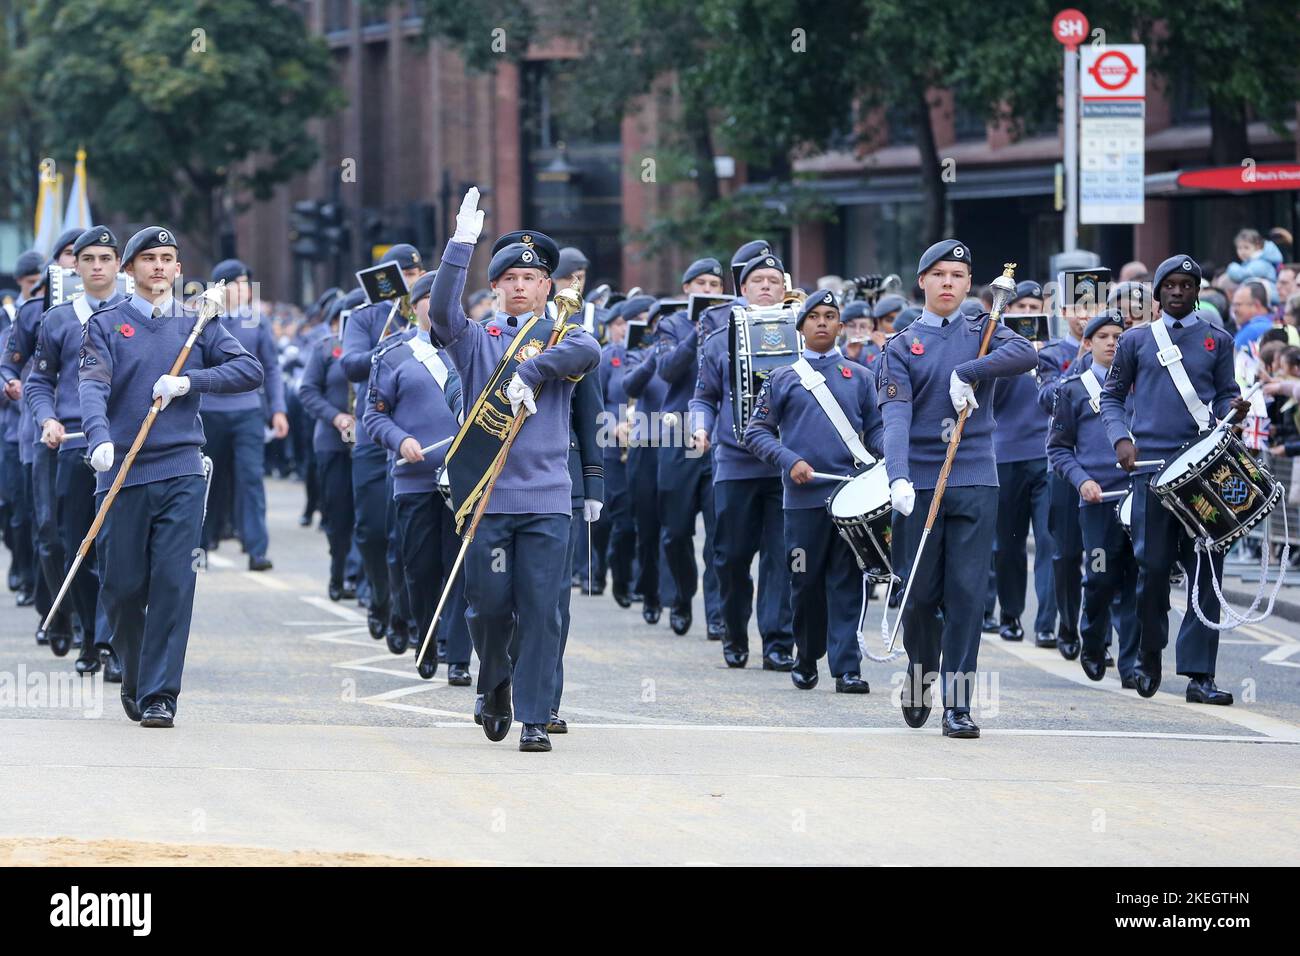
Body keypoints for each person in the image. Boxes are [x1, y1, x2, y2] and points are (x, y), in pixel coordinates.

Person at [428, 188, 600, 753]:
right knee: (490, 610)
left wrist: (534, 372)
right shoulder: (478, 340)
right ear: (497, 287)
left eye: (533, 277)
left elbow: (587, 354)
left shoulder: (562, 334)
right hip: (489, 498)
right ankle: (494, 683)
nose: (522, 284)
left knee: (543, 611)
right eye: (511, 277)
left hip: (548, 499)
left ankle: (533, 715)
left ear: (548, 286)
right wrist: (460, 245)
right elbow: (441, 312)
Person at [80, 226, 263, 727]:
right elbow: (92, 385)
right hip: (120, 471)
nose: (159, 266)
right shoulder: (105, 324)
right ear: (129, 268)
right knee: (120, 586)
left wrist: (190, 381)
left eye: (167, 259)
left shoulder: (198, 322)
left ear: (178, 270)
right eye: (148, 259)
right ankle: (136, 677)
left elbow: (249, 370)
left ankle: (160, 693)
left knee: (173, 582)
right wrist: (98, 438)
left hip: (181, 468)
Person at [878, 240, 1037, 737]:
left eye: (959, 275)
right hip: (921, 480)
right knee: (921, 595)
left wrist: (969, 370)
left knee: (966, 593)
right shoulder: (901, 346)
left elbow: (1026, 354)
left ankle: (958, 704)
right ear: (921, 281)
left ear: (971, 286)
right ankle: (920, 673)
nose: (949, 282)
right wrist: (898, 475)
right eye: (939, 273)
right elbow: (896, 418)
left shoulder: (984, 331)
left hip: (974, 474)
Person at [1100, 254, 1248, 703]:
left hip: (1204, 470)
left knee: (1207, 570)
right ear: (1158, 292)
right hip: (1152, 472)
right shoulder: (1137, 341)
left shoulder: (1217, 340)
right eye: (1171, 286)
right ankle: (1148, 654)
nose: (1179, 292)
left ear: (1197, 291)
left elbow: (1226, 394)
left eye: (1187, 285)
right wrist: (1120, 439)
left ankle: (1200, 676)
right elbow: (1111, 397)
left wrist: (1232, 412)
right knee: (1154, 567)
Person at [743, 289, 883, 690]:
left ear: (840, 325)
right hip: (802, 502)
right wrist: (790, 461)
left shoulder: (860, 376)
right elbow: (756, 432)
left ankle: (847, 667)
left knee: (846, 581)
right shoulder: (783, 378)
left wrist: (888, 458)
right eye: (814, 317)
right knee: (804, 581)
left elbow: (874, 431)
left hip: (850, 502)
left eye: (830, 316)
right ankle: (806, 655)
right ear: (800, 328)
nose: (822, 322)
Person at [26, 226, 127, 676]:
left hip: (127, 448)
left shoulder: (140, 316)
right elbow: (39, 381)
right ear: (75, 266)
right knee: (78, 549)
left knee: (120, 550)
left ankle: (116, 642)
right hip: (73, 445)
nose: (98, 267)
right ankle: (91, 635)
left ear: (119, 265)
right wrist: (46, 417)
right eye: (88, 259)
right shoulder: (58, 319)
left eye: (106, 258)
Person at [362, 270, 473, 680]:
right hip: (414, 480)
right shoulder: (393, 354)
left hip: (463, 479)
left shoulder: (473, 348)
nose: (439, 306)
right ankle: (426, 638)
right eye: (430, 298)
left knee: (459, 568)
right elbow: (373, 417)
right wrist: (400, 439)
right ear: (415, 306)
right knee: (421, 567)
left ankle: (458, 655)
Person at [690, 252, 795, 670]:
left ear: (785, 289)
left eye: (774, 280)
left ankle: (778, 642)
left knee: (782, 556)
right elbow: (704, 396)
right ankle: (734, 634)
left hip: (787, 465)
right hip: (735, 464)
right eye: (757, 281)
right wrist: (700, 427)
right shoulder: (721, 338)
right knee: (730, 556)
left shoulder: (801, 336)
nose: (766, 286)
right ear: (743, 290)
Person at [1047, 311, 1139, 685]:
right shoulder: (1072, 390)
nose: (1113, 342)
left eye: (1119, 335)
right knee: (1100, 577)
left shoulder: (1142, 386)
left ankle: (1133, 664)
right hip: (1097, 503)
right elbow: (1058, 449)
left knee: (1134, 581)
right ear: (1087, 343)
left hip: (1137, 498)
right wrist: (1081, 481)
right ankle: (1093, 641)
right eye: (1103, 336)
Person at [341, 244, 424, 644]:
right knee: (372, 527)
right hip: (374, 433)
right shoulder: (366, 316)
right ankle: (378, 596)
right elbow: (350, 364)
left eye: (415, 274)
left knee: (408, 531)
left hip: (416, 436)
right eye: (402, 275)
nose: (409, 282)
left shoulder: (429, 315)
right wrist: (390, 345)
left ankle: (406, 613)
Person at [650, 257, 730, 637]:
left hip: (716, 436)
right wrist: (697, 332)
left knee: (718, 532)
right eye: (701, 284)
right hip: (678, 434)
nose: (709, 291)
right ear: (687, 289)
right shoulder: (671, 324)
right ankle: (681, 597)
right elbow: (666, 370)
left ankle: (716, 613)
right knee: (677, 530)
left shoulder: (733, 324)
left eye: (715, 285)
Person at [199, 259, 287, 571]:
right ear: (220, 287)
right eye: (237, 283)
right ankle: (201, 546)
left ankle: (256, 549)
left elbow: (271, 367)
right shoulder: (203, 318)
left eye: (246, 283)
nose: (244, 289)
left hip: (248, 411)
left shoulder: (256, 320)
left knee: (251, 479)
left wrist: (277, 409)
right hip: (209, 412)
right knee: (207, 480)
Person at [1036, 268, 1106, 658]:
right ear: (1064, 310)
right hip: (1064, 468)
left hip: (1104, 468)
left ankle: (1100, 634)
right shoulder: (1051, 355)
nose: (1086, 314)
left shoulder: (1117, 350)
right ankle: (1066, 624)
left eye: (1094, 305)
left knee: (1108, 555)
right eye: (1079, 307)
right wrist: (1080, 361)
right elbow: (1048, 400)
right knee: (1065, 553)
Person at [990, 280, 1057, 647]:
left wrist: (1042, 357)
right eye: (1022, 311)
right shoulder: (997, 350)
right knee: (1008, 543)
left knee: (1049, 541)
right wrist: (1015, 359)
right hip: (1005, 454)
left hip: (1046, 455)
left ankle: (1046, 622)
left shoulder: (1056, 350)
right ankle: (1011, 614)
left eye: (1035, 310)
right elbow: (988, 399)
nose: (1029, 317)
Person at [298, 291, 358, 602]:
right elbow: (307, 391)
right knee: (339, 512)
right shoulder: (325, 349)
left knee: (369, 515)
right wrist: (335, 417)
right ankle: (338, 573)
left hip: (370, 443)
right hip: (333, 444)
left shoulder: (379, 348)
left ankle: (360, 578)